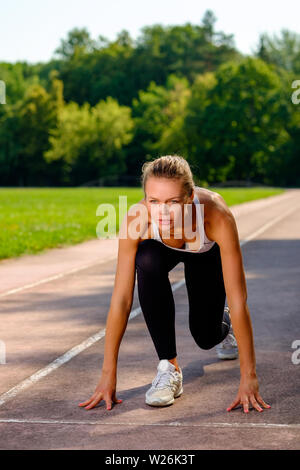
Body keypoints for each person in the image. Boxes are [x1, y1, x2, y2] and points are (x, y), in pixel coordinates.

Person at [79, 155, 271, 413]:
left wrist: (249, 377)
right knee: (146, 259)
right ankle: (169, 367)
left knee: (205, 337)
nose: (163, 212)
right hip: (161, 249)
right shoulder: (137, 220)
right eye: (154, 201)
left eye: (173, 202)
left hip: (204, 252)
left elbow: (239, 300)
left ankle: (223, 326)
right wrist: (107, 374)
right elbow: (122, 299)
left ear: (189, 197)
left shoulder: (216, 216)